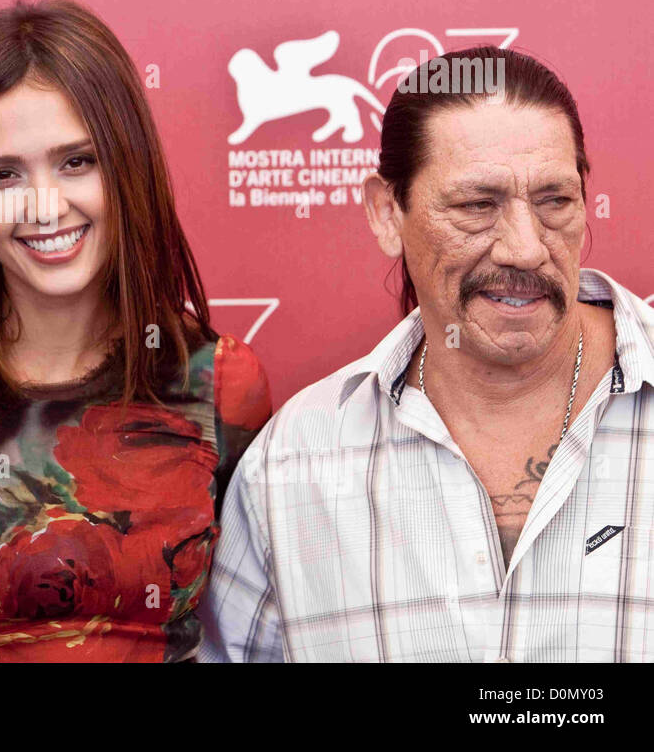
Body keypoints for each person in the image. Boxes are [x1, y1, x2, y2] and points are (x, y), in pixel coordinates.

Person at [0, 0, 271, 662]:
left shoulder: (220, 383)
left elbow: (257, 636)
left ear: (130, 166)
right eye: (1, 174)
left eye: (77, 162)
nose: (45, 206)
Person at [202, 47, 654, 662]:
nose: (525, 249)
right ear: (389, 213)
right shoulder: (291, 467)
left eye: (554, 202)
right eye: (476, 205)